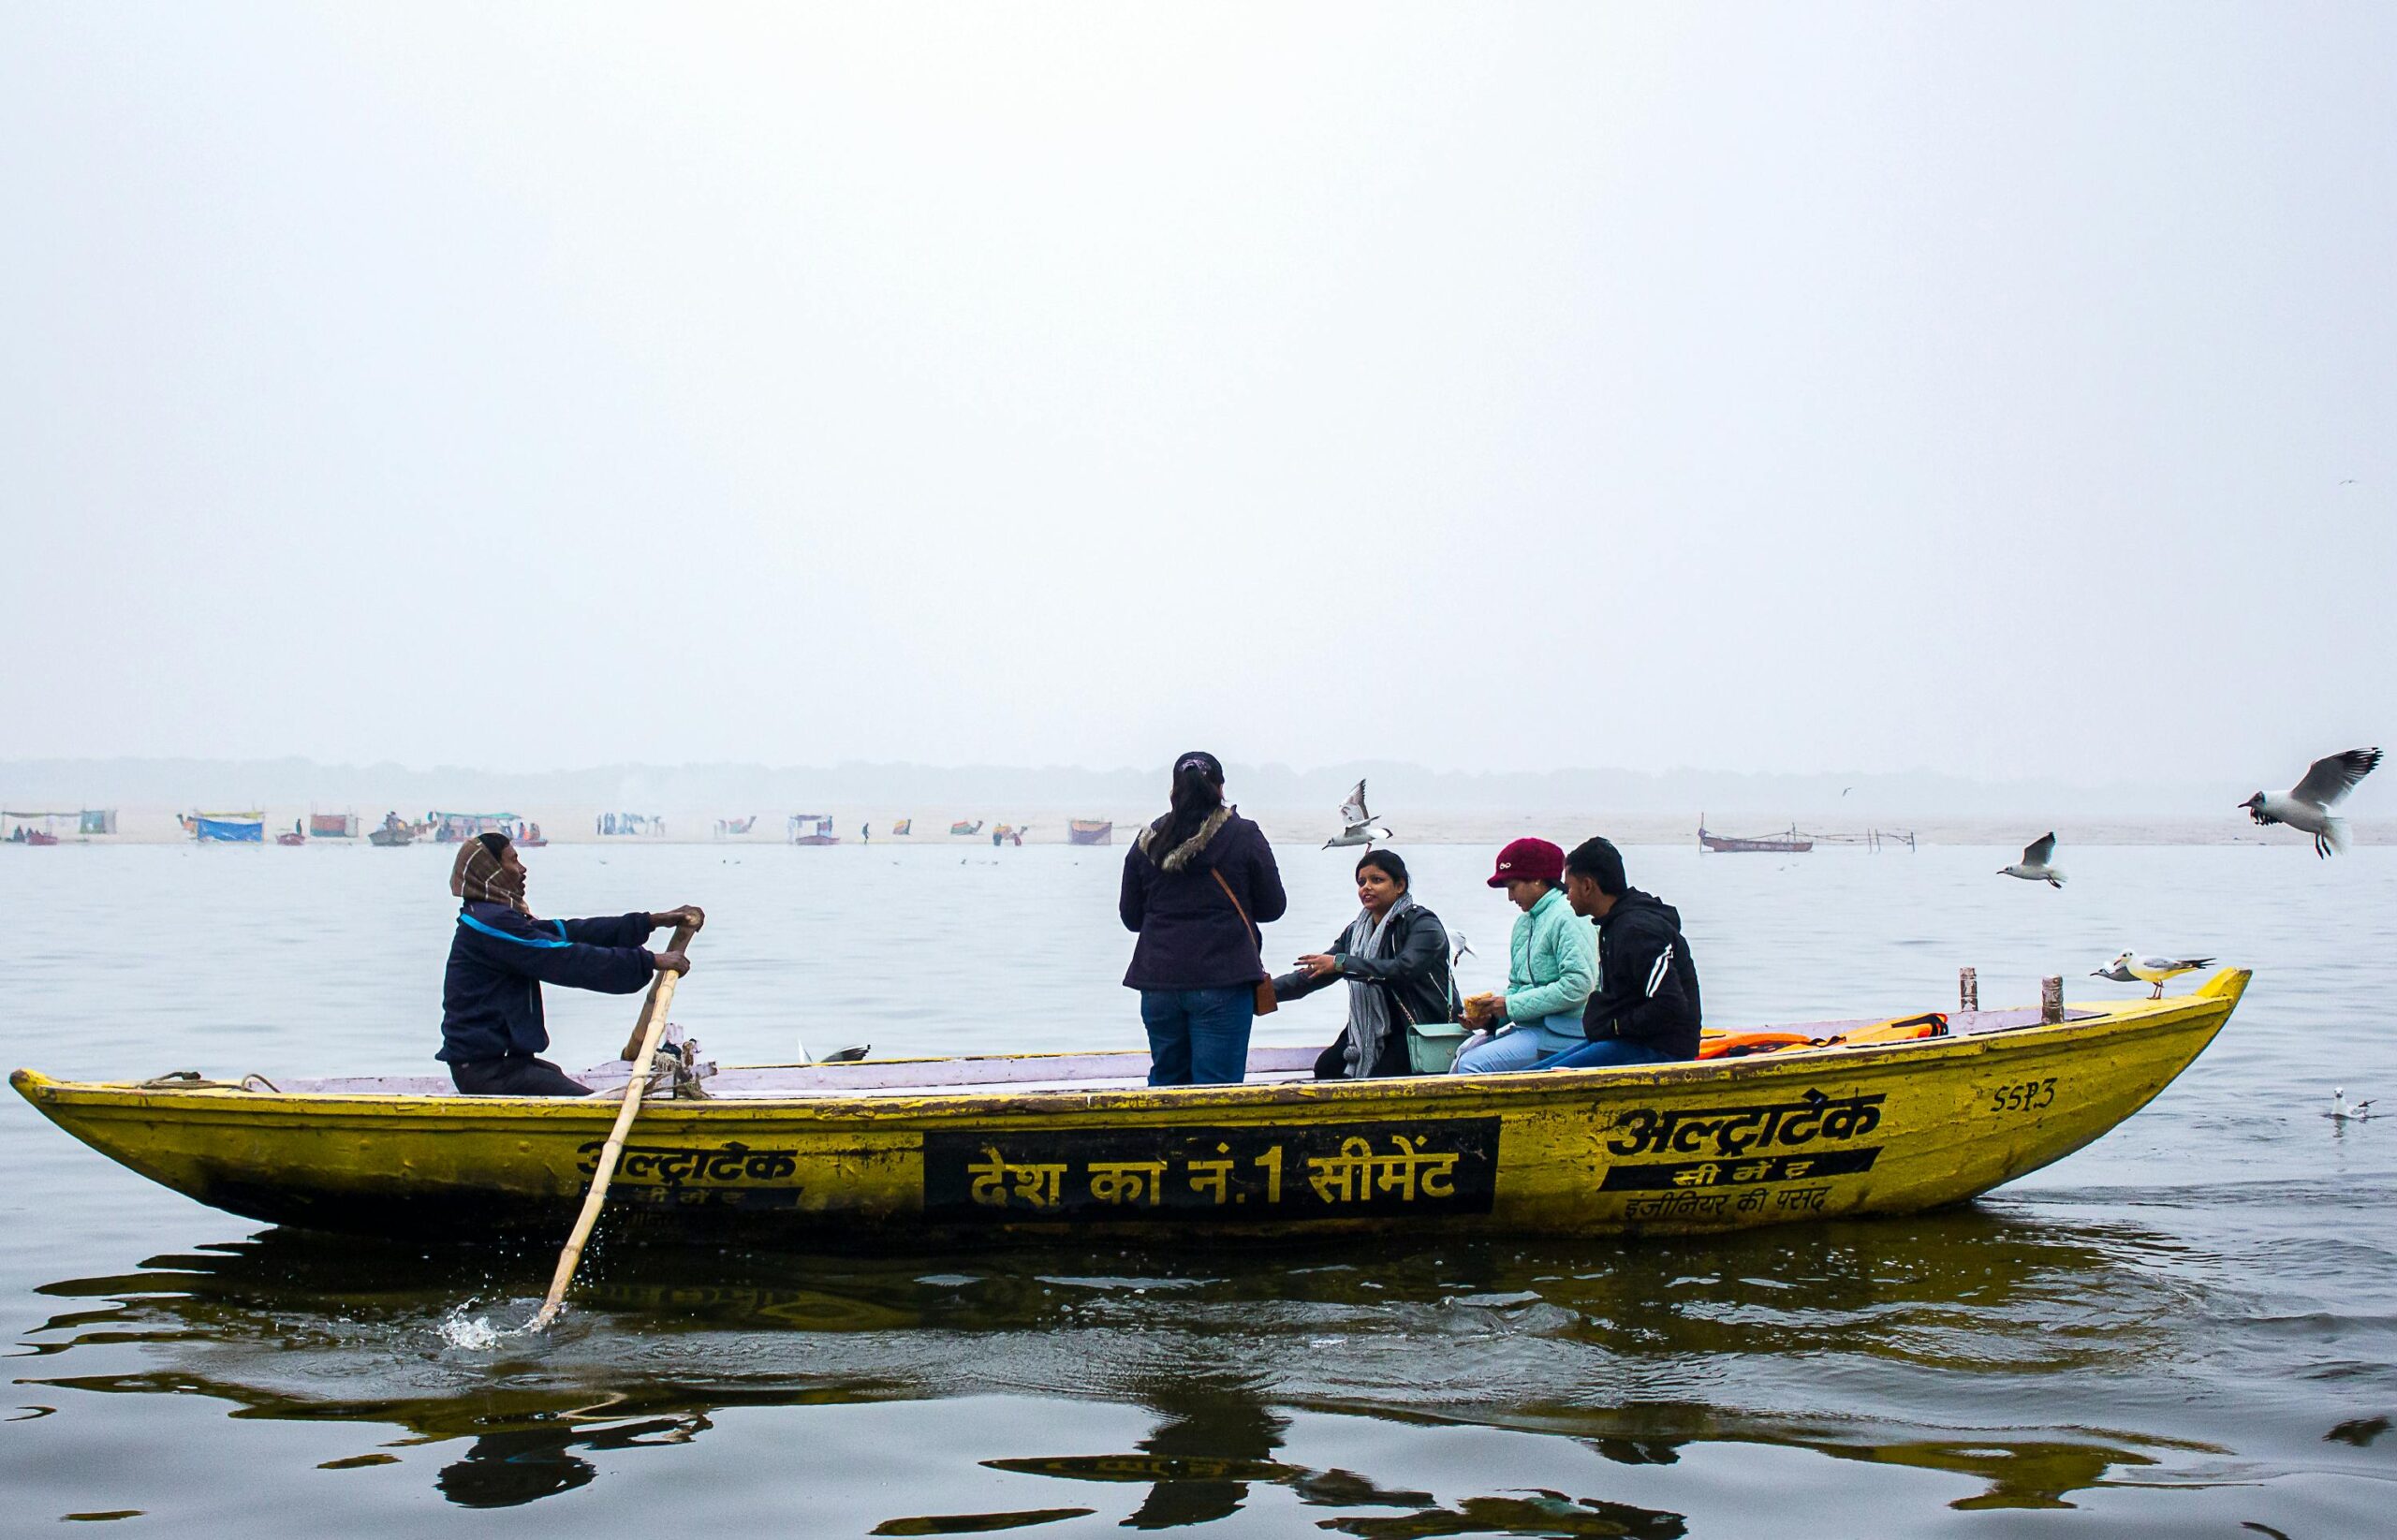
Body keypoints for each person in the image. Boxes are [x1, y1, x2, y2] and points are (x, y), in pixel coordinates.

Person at [438, 832, 703, 1096]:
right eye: (513, 861)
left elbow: (569, 932)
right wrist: (651, 961)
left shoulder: (491, 919)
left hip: (504, 1065)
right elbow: (565, 957)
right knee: (591, 1105)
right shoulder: (490, 926)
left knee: (555, 1078)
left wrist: (651, 921)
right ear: (492, 872)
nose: (522, 869)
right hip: (486, 1072)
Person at [1119, 751, 1287, 1086]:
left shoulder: (1147, 841)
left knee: (1166, 1083)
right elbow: (1273, 907)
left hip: (1159, 982)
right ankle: (1210, 1141)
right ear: (1220, 788)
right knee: (1216, 1087)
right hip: (1223, 979)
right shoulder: (1244, 834)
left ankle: (1165, 1140)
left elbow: (1131, 918)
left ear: (1173, 790)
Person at [1272, 849, 1456, 1078]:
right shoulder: (1355, 932)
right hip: (1369, 1030)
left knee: (1380, 1077)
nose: (1366, 887)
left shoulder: (1423, 924)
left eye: (1376, 880)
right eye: (1361, 882)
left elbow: (1404, 969)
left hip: (1417, 1029)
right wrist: (1260, 992)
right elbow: (1317, 973)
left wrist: (1342, 963)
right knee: (1326, 1069)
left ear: (1400, 886)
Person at [1542, 837, 1702, 1069]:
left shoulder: (1637, 930)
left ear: (1587, 886)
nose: (1567, 896)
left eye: (1569, 888)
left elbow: (1670, 1004)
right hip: (1630, 1040)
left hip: (1661, 1049)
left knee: (1544, 1077)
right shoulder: (1614, 924)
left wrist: (1615, 1026)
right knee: (1533, 1073)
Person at [1449, 838, 1596, 1074]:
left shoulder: (1567, 916)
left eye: (1513, 886)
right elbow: (1518, 987)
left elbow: (1578, 985)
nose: (1510, 897)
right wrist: (1490, 1016)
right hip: (1532, 1028)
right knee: (1463, 1053)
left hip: (1565, 1031)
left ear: (1537, 879)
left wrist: (1508, 1005)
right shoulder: (1523, 923)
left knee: (1472, 1064)